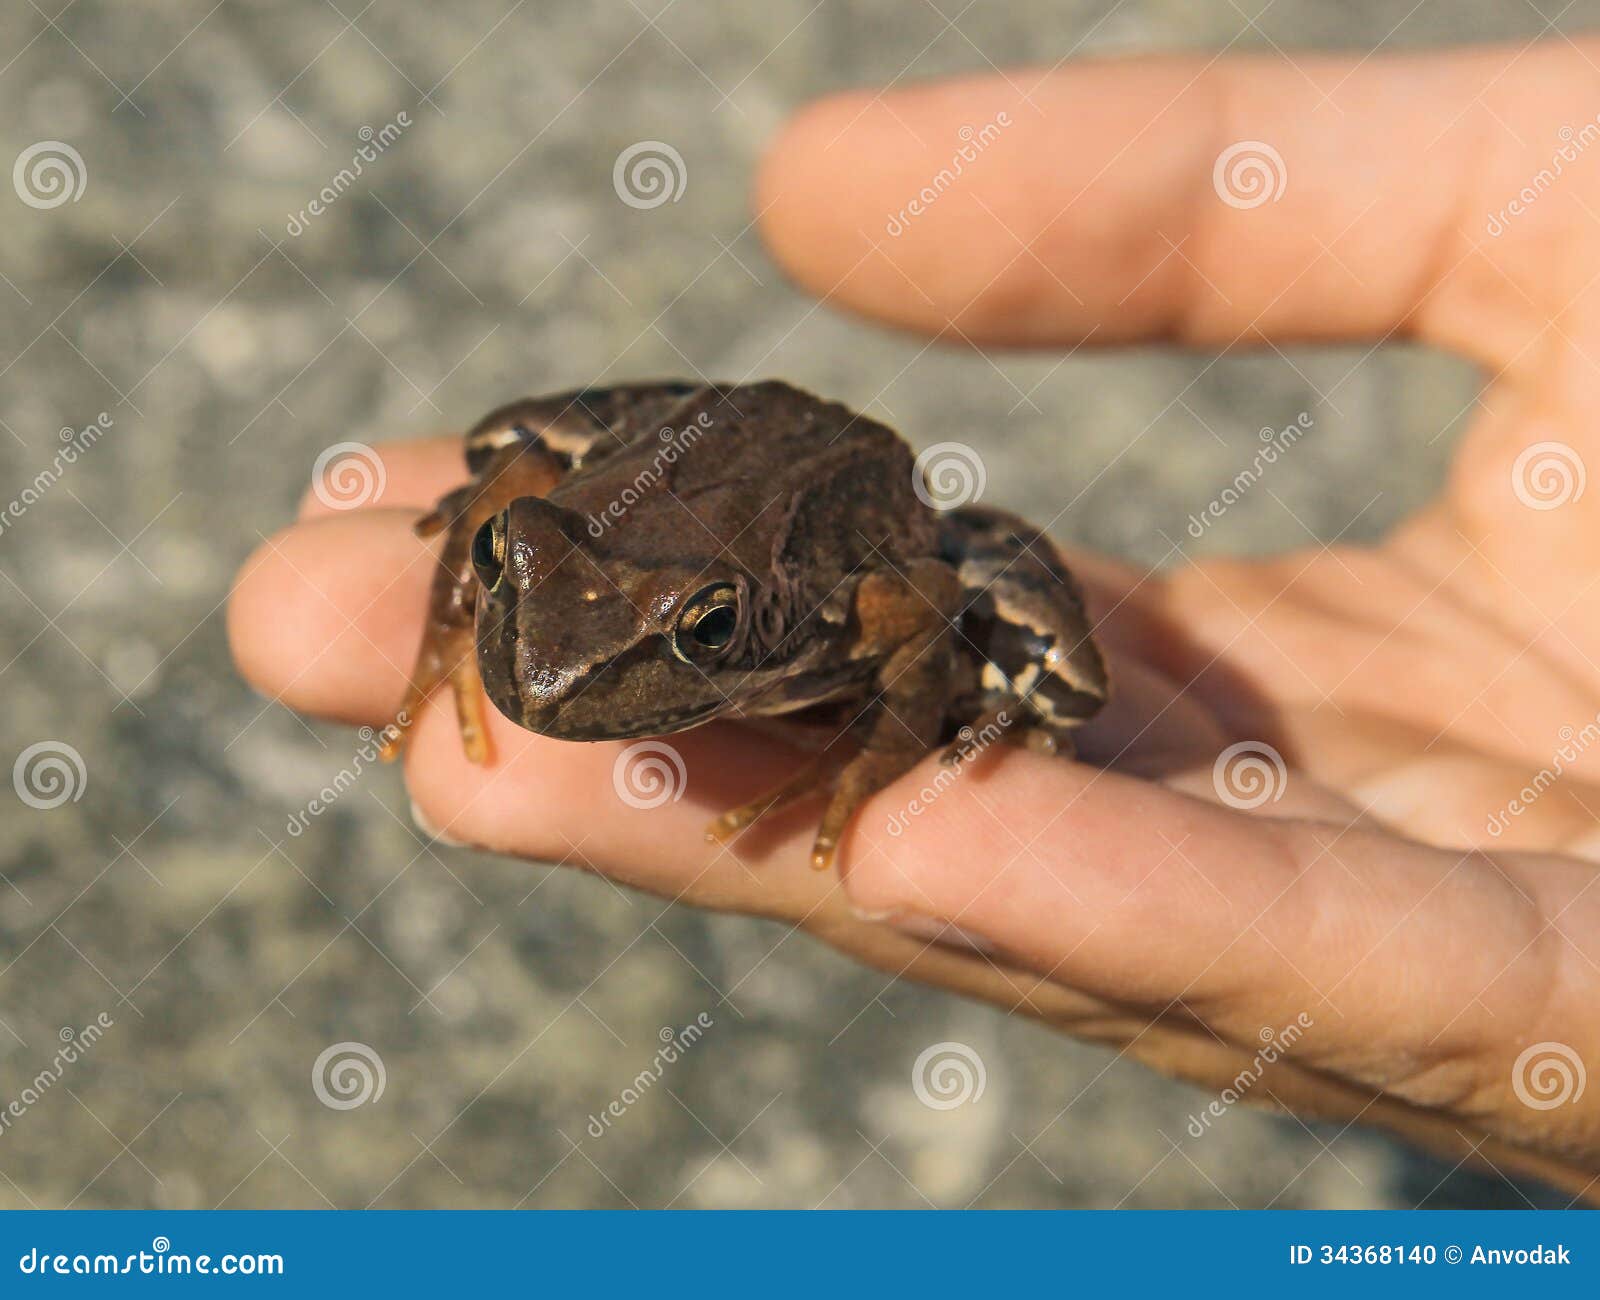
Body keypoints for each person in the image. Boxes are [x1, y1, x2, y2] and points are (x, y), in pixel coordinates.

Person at [231, 44, 1600, 1201]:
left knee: (1056, 693)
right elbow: (522, 488)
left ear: (739, 626)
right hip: (684, 454)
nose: (550, 680)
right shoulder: (548, 561)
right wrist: (477, 584)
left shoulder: (825, 607)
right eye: (519, 574)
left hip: (853, 498)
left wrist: (872, 756)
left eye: (700, 637)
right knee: (495, 449)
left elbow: (918, 606)